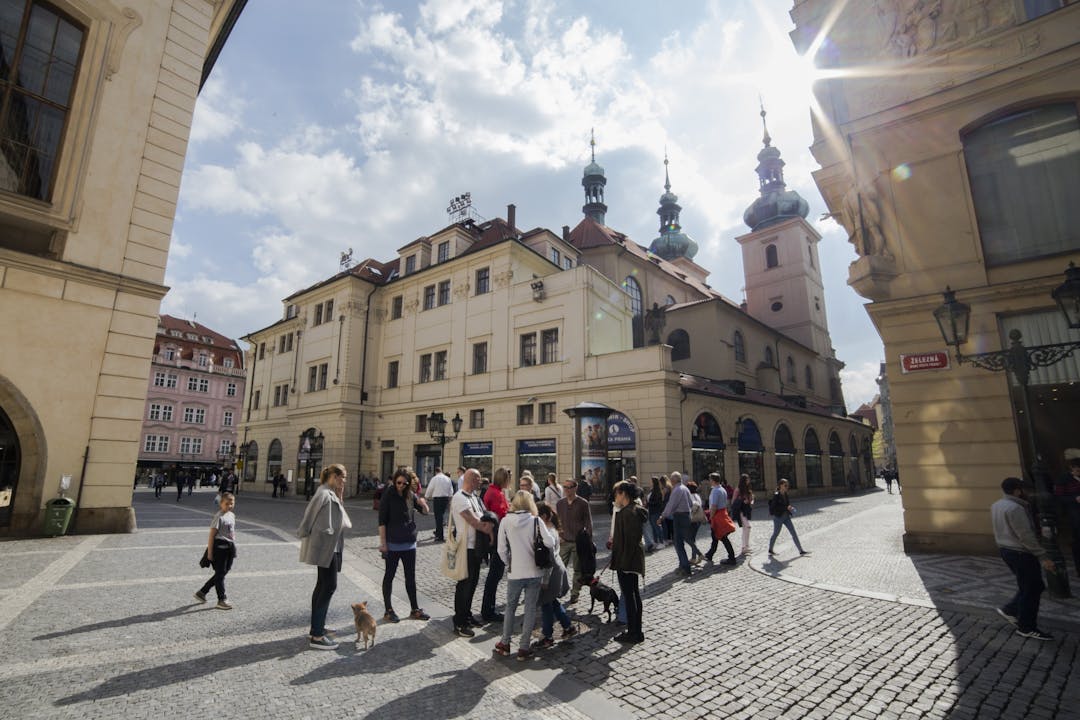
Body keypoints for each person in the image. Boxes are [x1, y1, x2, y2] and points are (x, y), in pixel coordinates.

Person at [493, 490, 555, 661]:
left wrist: (508, 563)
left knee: (510, 608)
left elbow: (501, 549)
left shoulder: (506, 521)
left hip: (515, 572)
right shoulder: (536, 520)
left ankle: (505, 643)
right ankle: (524, 647)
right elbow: (550, 542)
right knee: (529, 610)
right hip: (534, 571)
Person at [992, 476, 1056, 640]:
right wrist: (1042, 556)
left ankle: (1010, 610)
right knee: (1032, 588)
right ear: (1017, 491)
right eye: (1023, 489)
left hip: (1006, 550)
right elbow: (1025, 535)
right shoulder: (1016, 508)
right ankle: (1026, 626)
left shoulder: (997, 505)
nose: (1026, 492)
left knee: (1031, 586)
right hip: (1020, 552)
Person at [297, 463, 352, 650]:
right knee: (328, 586)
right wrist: (304, 533)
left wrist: (340, 496)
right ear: (334, 476)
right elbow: (309, 516)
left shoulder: (330, 493)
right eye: (343, 477)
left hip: (330, 546)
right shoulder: (323, 493)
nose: (344, 480)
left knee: (322, 585)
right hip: (326, 547)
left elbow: (340, 517)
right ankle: (317, 636)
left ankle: (317, 627)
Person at [378, 467, 431, 623]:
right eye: (398, 482)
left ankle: (415, 609)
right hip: (393, 543)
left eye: (404, 483)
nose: (400, 485)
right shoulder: (388, 494)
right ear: (395, 480)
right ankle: (388, 610)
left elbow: (425, 512)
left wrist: (423, 503)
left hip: (409, 543)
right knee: (389, 576)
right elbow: (382, 521)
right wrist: (383, 543)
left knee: (410, 577)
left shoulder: (410, 495)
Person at [450, 468, 495, 637]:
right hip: (465, 548)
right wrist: (490, 530)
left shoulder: (474, 497)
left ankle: (467, 615)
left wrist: (489, 526)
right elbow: (475, 521)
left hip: (476, 547)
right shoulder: (459, 497)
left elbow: (484, 516)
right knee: (464, 585)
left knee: (473, 583)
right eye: (478, 479)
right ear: (470, 479)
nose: (480, 482)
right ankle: (459, 622)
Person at [536, 504, 576, 647]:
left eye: (536, 515)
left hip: (551, 572)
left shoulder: (547, 531)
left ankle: (547, 636)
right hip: (557, 568)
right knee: (552, 601)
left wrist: (545, 580)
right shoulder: (551, 528)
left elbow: (549, 559)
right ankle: (568, 626)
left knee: (546, 604)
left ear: (543, 516)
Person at [611, 481, 646, 643]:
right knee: (633, 595)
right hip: (629, 560)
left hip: (627, 561)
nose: (615, 497)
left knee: (631, 596)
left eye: (616, 494)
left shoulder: (629, 513)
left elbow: (631, 541)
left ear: (623, 494)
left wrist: (623, 562)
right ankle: (635, 631)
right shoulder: (629, 511)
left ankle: (634, 632)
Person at [195, 492, 237, 610]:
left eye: (232, 503)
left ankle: (202, 592)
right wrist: (209, 553)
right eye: (227, 504)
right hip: (219, 549)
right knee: (220, 574)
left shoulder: (232, 515)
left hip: (230, 547)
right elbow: (211, 536)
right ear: (221, 504)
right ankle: (221, 599)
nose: (229, 506)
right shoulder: (219, 517)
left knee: (223, 572)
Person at [555, 478, 594, 603]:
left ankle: (575, 593)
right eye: (565, 487)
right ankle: (558, 590)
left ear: (575, 488)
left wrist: (588, 539)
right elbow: (557, 521)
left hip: (578, 541)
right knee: (560, 568)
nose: (566, 490)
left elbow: (588, 522)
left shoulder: (583, 503)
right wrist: (558, 535)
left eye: (569, 487)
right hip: (564, 540)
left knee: (578, 569)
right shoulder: (560, 503)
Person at [481, 467, 511, 623]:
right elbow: (501, 517)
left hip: (496, 538)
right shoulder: (496, 494)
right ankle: (488, 611)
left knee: (494, 575)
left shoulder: (494, 491)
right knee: (495, 575)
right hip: (497, 539)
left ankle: (488, 609)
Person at [659, 471, 695, 576]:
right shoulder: (685, 488)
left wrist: (662, 516)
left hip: (679, 517)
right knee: (680, 542)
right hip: (686, 516)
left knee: (678, 543)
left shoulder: (676, 490)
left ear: (673, 480)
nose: (670, 480)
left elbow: (671, 505)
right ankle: (682, 565)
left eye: (671, 479)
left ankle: (685, 567)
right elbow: (691, 503)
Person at [1053, 458, 1080, 578]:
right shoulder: (1063, 479)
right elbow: (1059, 497)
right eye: (1077, 470)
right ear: (1071, 468)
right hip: (1074, 514)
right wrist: (1075, 499)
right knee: (1078, 542)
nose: (1078, 472)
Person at [767, 479, 808, 557]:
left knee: (793, 533)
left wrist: (790, 508)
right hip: (778, 517)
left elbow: (787, 504)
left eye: (787, 485)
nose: (787, 487)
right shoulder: (776, 494)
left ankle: (801, 550)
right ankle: (770, 549)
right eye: (785, 485)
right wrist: (786, 507)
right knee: (776, 533)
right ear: (781, 485)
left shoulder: (785, 494)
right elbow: (774, 507)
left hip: (786, 517)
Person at [704, 472, 737, 565]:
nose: (709, 481)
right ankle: (710, 554)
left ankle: (732, 558)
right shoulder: (722, 489)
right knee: (716, 537)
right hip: (722, 514)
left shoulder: (715, 491)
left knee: (722, 537)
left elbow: (714, 506)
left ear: (713, 480)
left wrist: (711, 516)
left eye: (710, 479)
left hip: (717, 516)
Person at [425, 466, 455, 542]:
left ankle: (440, 536)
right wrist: (450, 498)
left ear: (435, 472)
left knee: (438, 517)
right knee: (441, 516)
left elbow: (430, 488)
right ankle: (438, 533)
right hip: (445, 498)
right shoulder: (447, 479)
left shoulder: (434, 478)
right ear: (441, 471)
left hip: (437, 499)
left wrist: (426, 497)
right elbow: (451, 490)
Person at [730, 473, 755, 556]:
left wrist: (751, 500)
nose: (749, 481)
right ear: (744, 481)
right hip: (740, 511)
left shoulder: (748, 489)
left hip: (746, 511)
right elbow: (733, 502)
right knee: (747, 527)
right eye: (747, 479)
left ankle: (745, 547)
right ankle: (745, 547)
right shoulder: (738, 490)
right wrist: (741, 500)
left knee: (745, 528)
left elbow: (751, 500)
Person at [686, 480, 706, 565]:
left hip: (692, 520)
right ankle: (693, 558)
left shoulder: (689, 497)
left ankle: (699, 554)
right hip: (699, 520)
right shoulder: (698, 496)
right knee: (692, 538)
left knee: (687, 538)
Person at [646, 477, 665, 546]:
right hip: (651, 511)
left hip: (656, 512)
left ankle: (661, 542)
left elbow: (658, 503)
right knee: (653, 527)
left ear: (654, 483)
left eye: (651, 481)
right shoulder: (652, 490)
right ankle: (656, 542)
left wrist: (648, 503)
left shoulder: (657, 491)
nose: (649, 482)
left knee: (657, 527)